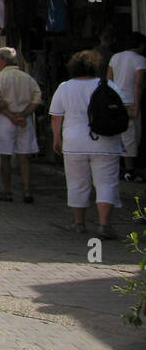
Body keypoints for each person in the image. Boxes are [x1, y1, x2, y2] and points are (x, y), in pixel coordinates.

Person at [51, 49, 121, 238]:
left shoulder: (64, 87)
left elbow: (56, 117)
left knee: (76, 183)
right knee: (106, 183)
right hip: (106, 141)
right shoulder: (109, 86)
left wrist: (57, 138)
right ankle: (105, 225)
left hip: (74, 142)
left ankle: (79, 223)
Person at [0, 47, 42, 202]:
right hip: (24, 121)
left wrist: (11, 116)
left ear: (3, 60)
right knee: (24, 157)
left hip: (5, 121)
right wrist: (23, 114)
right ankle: (27, 190)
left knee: (5, 157)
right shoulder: (27, 78)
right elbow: (36, 98)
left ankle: (7, 190)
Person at [109, 32, 146, 183]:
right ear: (141, 45)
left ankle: (119, 168)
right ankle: (130, 171)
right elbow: (138, 83)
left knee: (117, 135)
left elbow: (109, 79)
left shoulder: (115, 57)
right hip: (130, 101)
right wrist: (137, 105)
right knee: (131, 137)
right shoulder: (140, 60)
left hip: (116, 102)